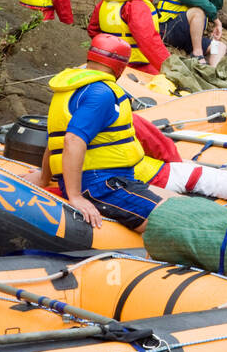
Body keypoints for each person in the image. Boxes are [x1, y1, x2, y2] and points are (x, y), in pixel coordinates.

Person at [42, 34, 169, 232]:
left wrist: (43, 177)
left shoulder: (72, 87)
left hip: (111, 180)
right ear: (120, 67)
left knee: (183, 204)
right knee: (175, 218)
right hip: (100, 185)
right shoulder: (101, 93)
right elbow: (72, 140)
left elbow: (55, 141)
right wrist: (75, 196)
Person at [88, 0, 170, 75]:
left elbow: (93, 29)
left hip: (107, 61)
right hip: (134, 65)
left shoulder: (106, 0)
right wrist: (169, 67)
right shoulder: (136, 4)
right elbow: (149, 41)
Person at [157, 0, 227, 67]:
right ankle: (197, 54)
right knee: (198, 12)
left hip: (186, 37)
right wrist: (218, 23)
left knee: (219, 47)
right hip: (167, 31)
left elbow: (214, 7)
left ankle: (211, 70)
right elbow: (206, 6)